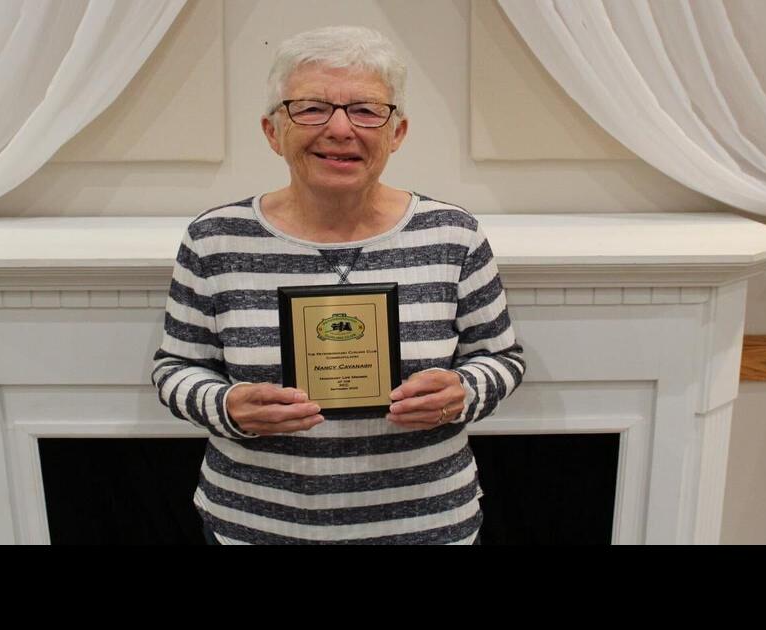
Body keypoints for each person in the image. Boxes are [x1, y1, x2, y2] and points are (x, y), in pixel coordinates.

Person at [151, 25, 524, 544]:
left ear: (397, 132)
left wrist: (463, 392)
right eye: (310, 108)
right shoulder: (215, 239)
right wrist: (226, 406)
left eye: (367, 110)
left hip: (426, 525)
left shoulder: (453, 234)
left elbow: (502, 358)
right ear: (271, 130)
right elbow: (176, 368)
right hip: (258, 527)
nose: (341, 129)